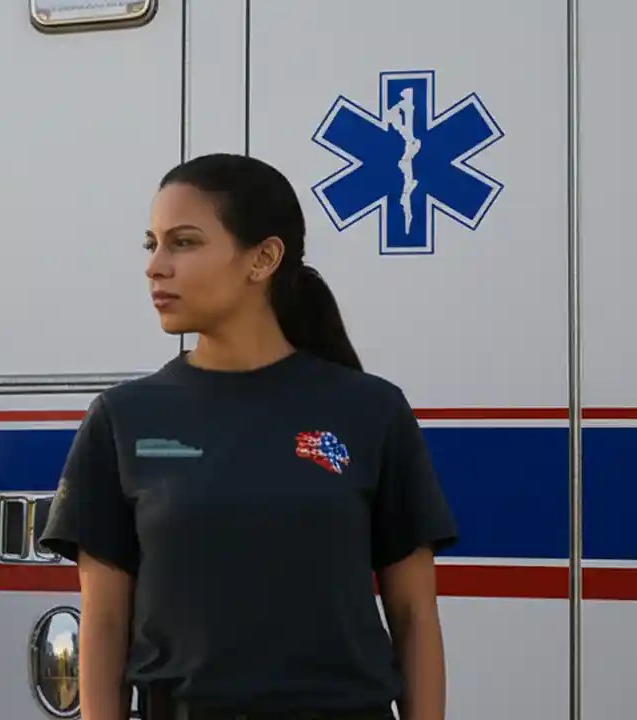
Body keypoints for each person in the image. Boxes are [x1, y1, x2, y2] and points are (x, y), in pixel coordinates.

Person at [39, 153, 457, 720]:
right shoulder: (122, 418)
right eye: (152, 244)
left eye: (183, 242)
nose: (155, 267)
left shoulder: (370, 410)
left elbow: (414, 616)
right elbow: (105, 623)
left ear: (263, 258)